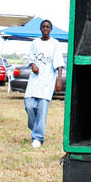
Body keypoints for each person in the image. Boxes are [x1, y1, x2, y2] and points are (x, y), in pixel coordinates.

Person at [24, 19, 65, 149]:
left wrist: (59, 80)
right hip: (34, 81)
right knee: (29, 106)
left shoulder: (55, 44)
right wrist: (33, 65)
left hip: (47, 82)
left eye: (48, 27)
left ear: (50, 29)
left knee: (42, 111)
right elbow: (30, 58)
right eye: (43, 27)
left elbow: (59, 63)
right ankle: (35, 127)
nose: (45, 29)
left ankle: (37, 137)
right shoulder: (35, 43)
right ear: (40, 29)